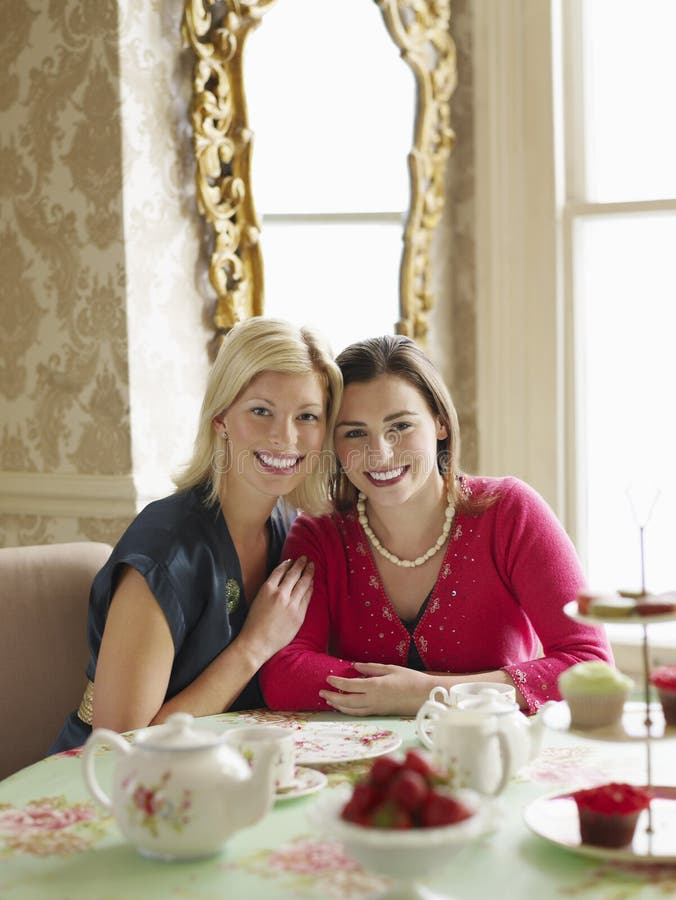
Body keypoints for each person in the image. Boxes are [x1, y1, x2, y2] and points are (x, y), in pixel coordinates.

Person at [259, 334, 613, 716]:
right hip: (370, 771)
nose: (380, 453)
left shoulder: (510, 513)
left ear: (440, 423)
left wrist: (430, 692)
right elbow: (284, 675)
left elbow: (590, 668)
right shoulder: (319, 536)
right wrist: (396, 691)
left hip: (498, 760)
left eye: (400, 426)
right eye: (355, 432)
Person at [50, 318, 342, 752]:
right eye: (261, 411)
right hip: (111, 786)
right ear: (221, 417)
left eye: (307, 417)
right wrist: (254, 645)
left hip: (220, 772)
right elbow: (120, 744)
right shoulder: (166, 549)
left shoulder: (290, 529)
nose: (285, 437)